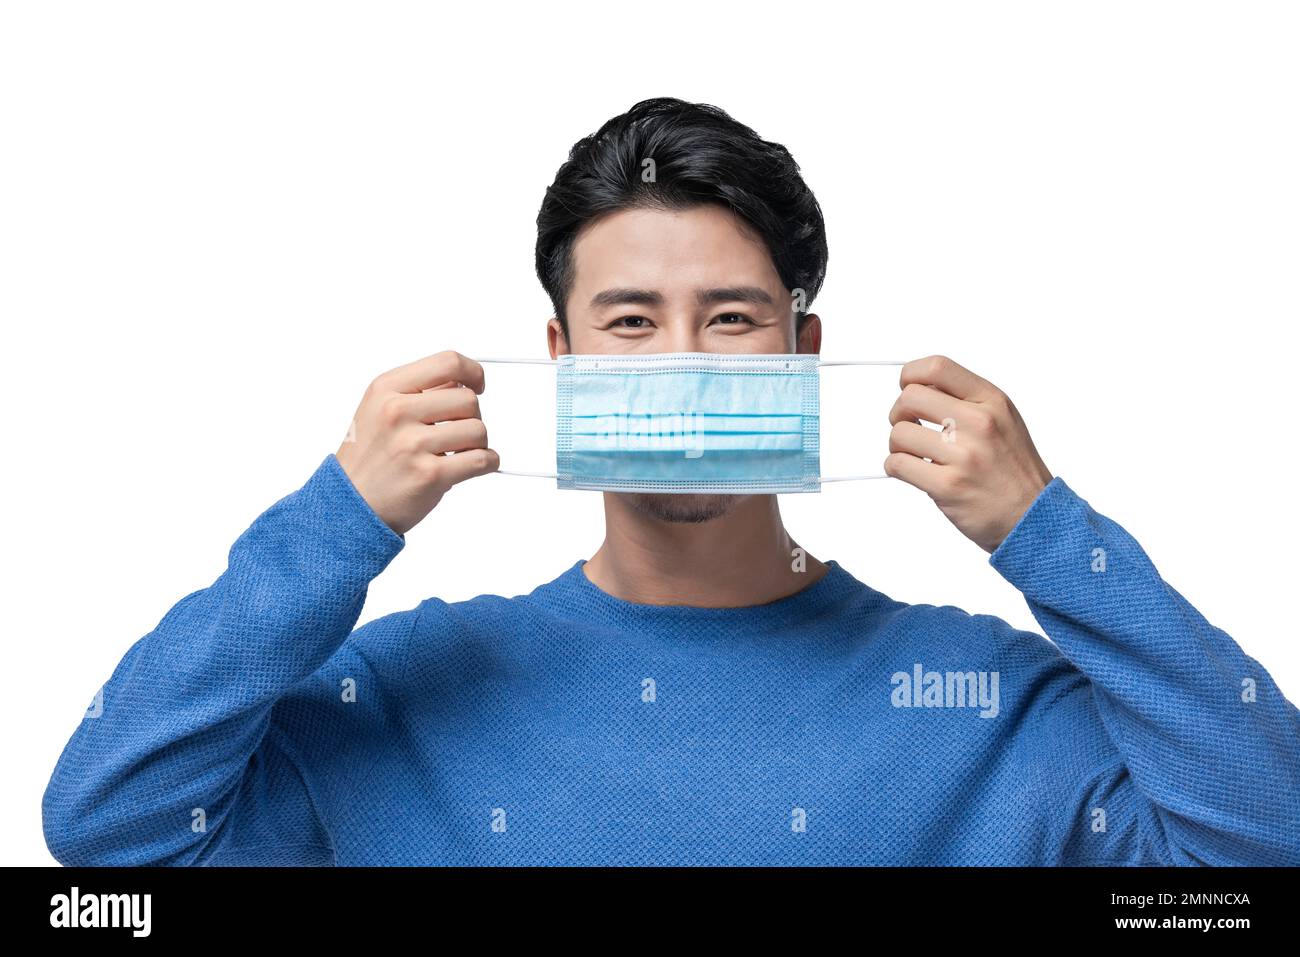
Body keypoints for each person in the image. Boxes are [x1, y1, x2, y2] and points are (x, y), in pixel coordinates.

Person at [42, 97, 1300, 866]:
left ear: (807, 355)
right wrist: (333, 525)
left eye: (734, 319)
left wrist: (1045, 531)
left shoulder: (987, 704)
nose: (684, 363)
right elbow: (116, 829)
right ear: (561, 358)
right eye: (631, 320)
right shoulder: (407, 691)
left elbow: (1265, 839)